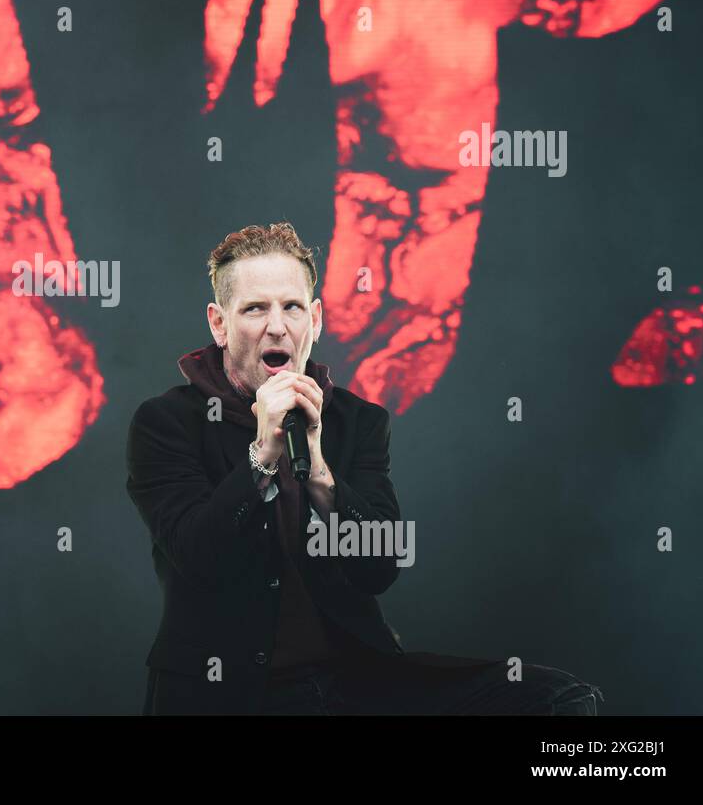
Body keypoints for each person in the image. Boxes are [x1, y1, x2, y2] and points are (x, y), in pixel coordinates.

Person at [125, 222, 602, 715]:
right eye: (254, 308)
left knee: (553, 700)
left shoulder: (359, 421)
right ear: (219, 324)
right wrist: (262, 455)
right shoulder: (167, 423)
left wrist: (319, 473)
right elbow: (200, 557)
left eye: (291, 306)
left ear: (314, 319)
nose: (276, 325)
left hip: (353, 682)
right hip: (231, 693)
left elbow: (378, 567)